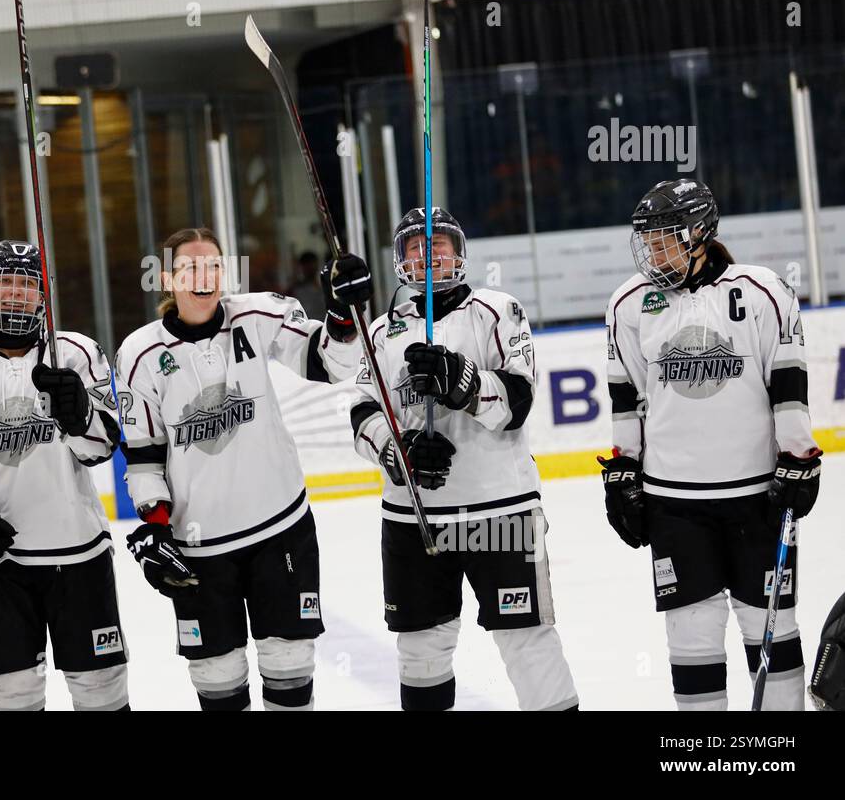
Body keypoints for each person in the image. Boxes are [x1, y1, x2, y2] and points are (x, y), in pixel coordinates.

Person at [114, 227, 370, 710]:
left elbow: (331, 364)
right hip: (200, 547)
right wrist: (155, 527)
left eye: (212, 265)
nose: (203, 276)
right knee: (217, 679)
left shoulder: (259, 313)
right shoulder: (139, 355)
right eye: (189, 268)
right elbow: (144, 453)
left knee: (290, 669)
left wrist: (341, 313)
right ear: (167, 278)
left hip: (281, 530)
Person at [602, 178, 819, 711]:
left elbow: (788, 384)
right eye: (647, 241)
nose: (653, 251)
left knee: (769, 625)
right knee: (690, 635)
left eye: (664, 238)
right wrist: (621, 471)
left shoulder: (763, 290)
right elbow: (626, 395)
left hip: (757, 496)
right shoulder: (629, 304)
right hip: (674, 503)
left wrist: (799, 458)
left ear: (699, 233)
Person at [350, 207, 578, 711]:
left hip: (501, 509)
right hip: (414, 518)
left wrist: (461, 381)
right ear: (400, 260)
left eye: (440, 244)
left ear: (459, 253)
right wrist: (401, 451)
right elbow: (363, 412)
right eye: (415, 246)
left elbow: (517, 405)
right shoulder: (382, 331)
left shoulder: (499, 310)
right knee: (421, 649)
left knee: (526, 641)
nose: (429, 254)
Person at [0, 240, 128, 711]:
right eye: (5, 283)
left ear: (43, 295)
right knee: (14, 696)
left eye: (27, 284)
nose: (15, 294)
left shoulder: (76, 351)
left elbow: (101, 449)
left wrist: (79, 417)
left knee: (101, 687)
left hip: (77, 551)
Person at [288, 251, 325, 321]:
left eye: (312, 264)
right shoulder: (295, 290)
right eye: (307, 265)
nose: (310, 268)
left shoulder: (325, 286)